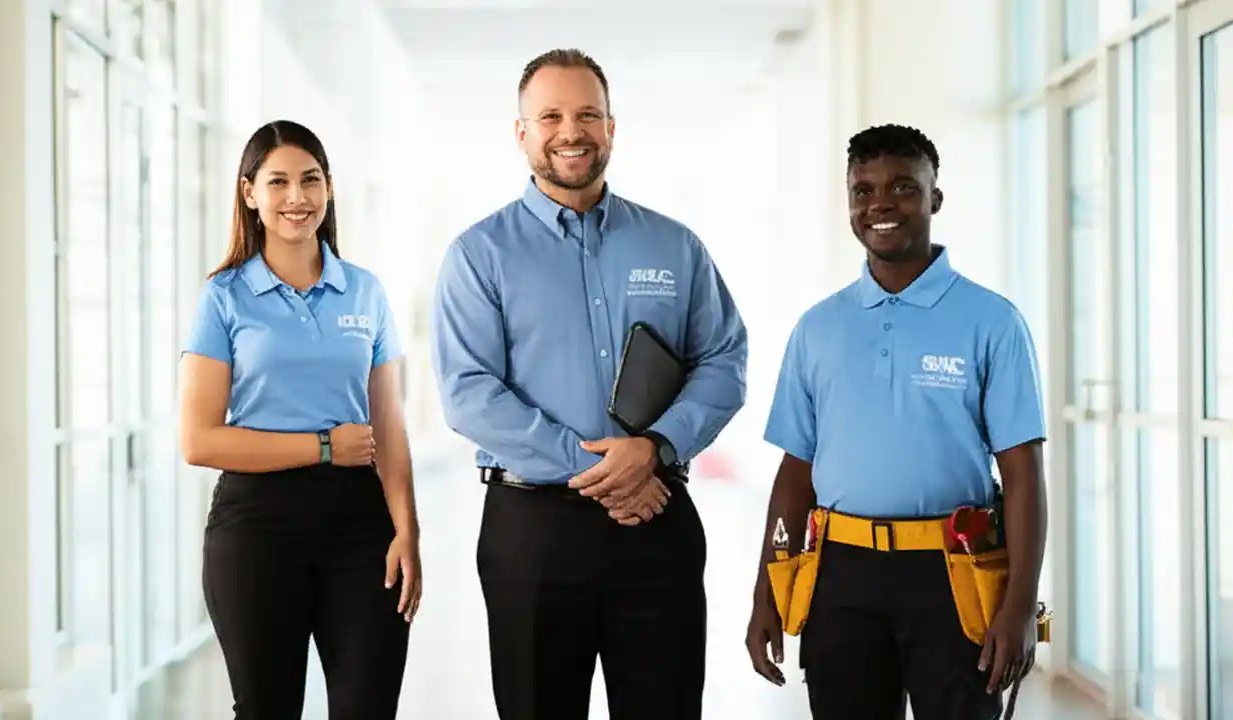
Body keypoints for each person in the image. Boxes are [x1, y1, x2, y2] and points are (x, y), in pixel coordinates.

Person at [430, 48, 747, 720]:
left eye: (587, 114)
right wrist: (609, 468)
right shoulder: (479, 255)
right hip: (534, 532)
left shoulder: (674, 246)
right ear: (522, 133)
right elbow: (469, 392)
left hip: (656, 520)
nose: (569, 130)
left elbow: (724, 358)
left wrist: (656, 447)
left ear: (611, 127)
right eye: (549, 115)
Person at [744, 124, 1048, 719]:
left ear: (935, 198)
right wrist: (766, 590)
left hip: (955, 571)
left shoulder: (992, 322)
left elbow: (1023, 472)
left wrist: (1020, 606)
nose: (880, 203)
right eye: (863, 191)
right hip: (841, 574)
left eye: (903, 187)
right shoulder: (818, 328)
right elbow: (795, 472)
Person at [178, 120, 421, 719]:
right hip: (256, 530)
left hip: (361, 530)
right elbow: (197, 439)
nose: (297, 198)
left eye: (310, 180)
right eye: (278, 181)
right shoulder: (224, 298)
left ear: (329, 188)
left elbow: (388, 427)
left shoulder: (365, 292)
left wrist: (407, 529)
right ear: (249, 193)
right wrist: (322, 446)